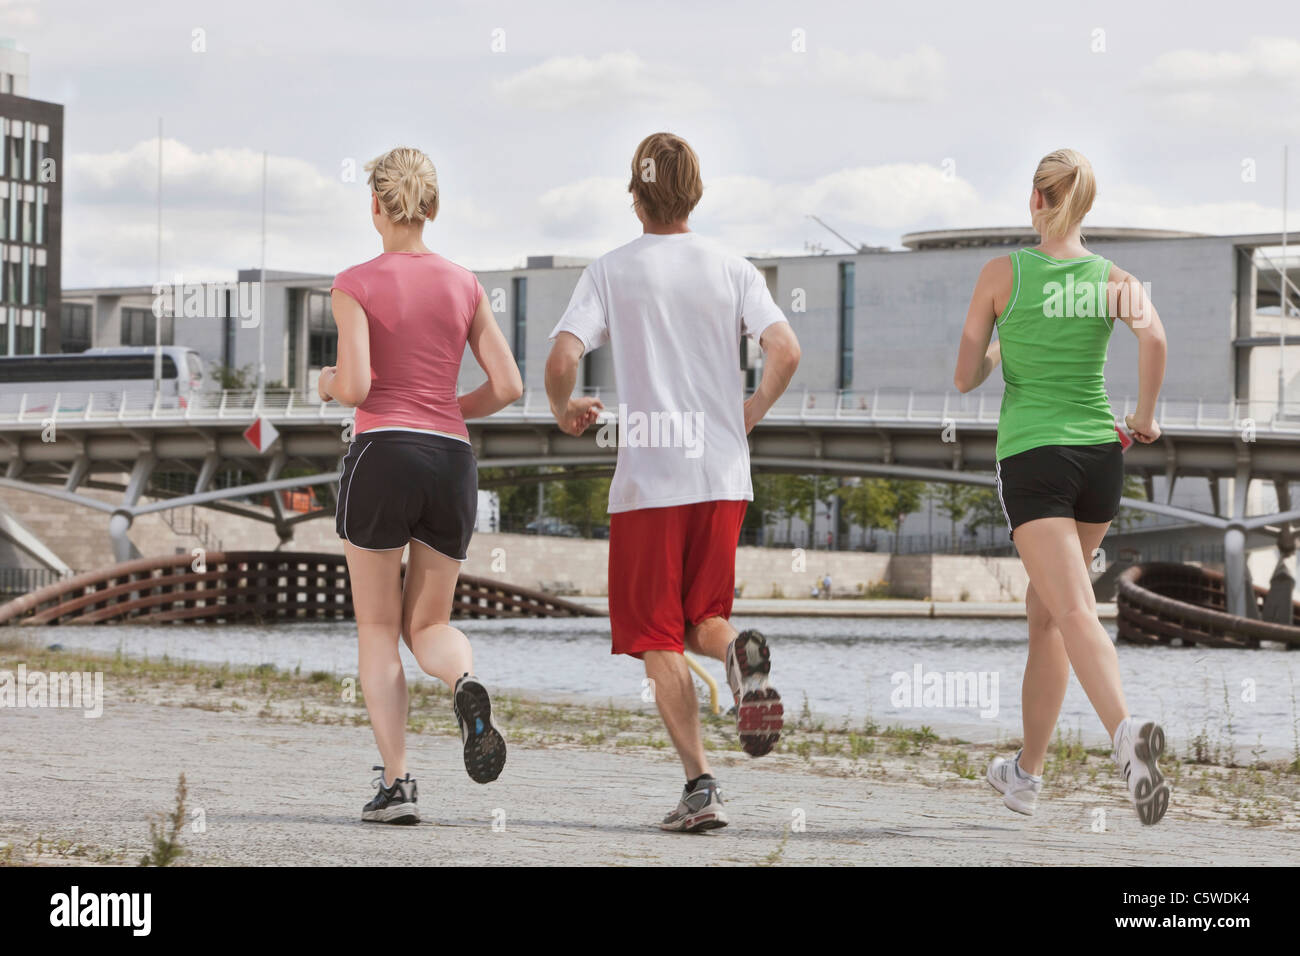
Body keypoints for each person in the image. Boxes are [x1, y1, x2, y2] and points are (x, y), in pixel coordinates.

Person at [544, 132, 801, 832]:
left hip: (651, 482)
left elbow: (564, 353)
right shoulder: (733, 267)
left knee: (657, 637)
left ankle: (701, 787)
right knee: (702, 621)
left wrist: (564, 407)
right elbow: (786, 349)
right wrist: (746, 414)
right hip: (722, 473)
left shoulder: (610, 270)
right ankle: (736, 659)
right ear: (696, 193)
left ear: (636, 195)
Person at [952, 148, 1171, 825]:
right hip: (1101, 457)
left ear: (1035, 201)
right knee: (1046, 611)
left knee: (1072, 609)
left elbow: (963, 378)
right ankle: (1025, 775)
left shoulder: (1001, 273)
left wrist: (997, 348)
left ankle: (1126, 737)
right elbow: (1155, 338)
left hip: (1035, 458)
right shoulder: (1111, 278)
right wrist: (1144, 417)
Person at [320, 146, 523, 824]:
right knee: (429, 623)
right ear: (432, 208)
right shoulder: (465, 284)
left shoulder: (354, 283)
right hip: (451, 459)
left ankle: (399, 785)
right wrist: (443, 412)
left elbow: (356, 386)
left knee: (378, 629)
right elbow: (510, 385)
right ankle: (464, 682)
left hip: (382, 453)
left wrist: (325, 384)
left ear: (375, 206)